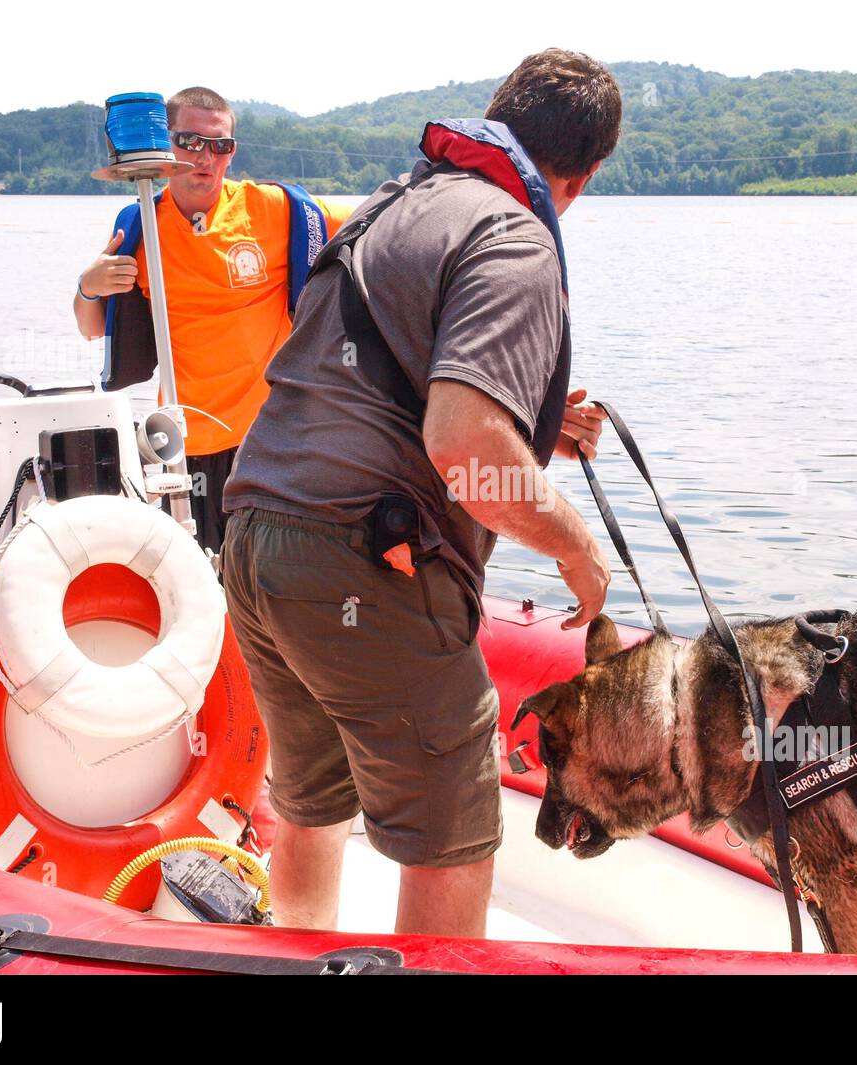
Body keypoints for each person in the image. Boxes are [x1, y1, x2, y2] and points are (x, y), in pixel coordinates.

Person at [220, 49, 622, 937]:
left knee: (311, 794)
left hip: (254, 535)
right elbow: (465, 445)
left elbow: (378, 380)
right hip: (358, 558)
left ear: (496, 118)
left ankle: (296, 954)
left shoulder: (393, 204)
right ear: (584, 177)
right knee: (457, 824)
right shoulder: (515, 236)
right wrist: (577, 546)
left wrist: (537, 428)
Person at [71, 86, 351, 551]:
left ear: (232, 152)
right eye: (190, 142)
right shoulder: (140, 224)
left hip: (272, 436)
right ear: (167, 144)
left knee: (273, 573)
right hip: (188, 441)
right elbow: (90, 327)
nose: (205, 157)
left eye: (219, 145)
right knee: (202, 573)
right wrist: (88, 285)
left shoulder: (276, 209)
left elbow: (377, 216)